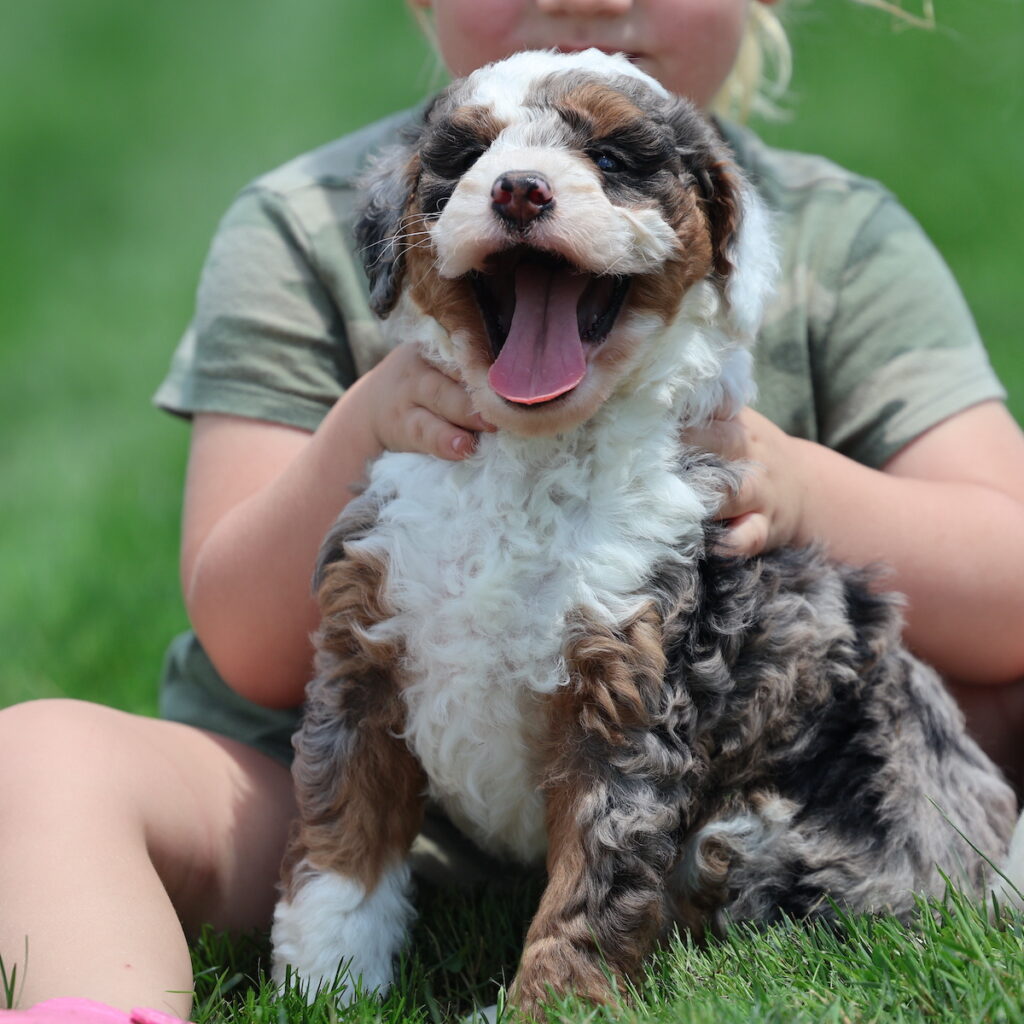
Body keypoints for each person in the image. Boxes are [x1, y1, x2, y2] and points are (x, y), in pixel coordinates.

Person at [2, 0, 1022, 1018]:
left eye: (614, 158)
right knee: (39, 760)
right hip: (318, 790)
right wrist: (361, 433)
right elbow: (245, 643)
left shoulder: (838, 234)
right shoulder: (305, 219)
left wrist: (797, 485)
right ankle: (99, 999)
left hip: (725, 807)